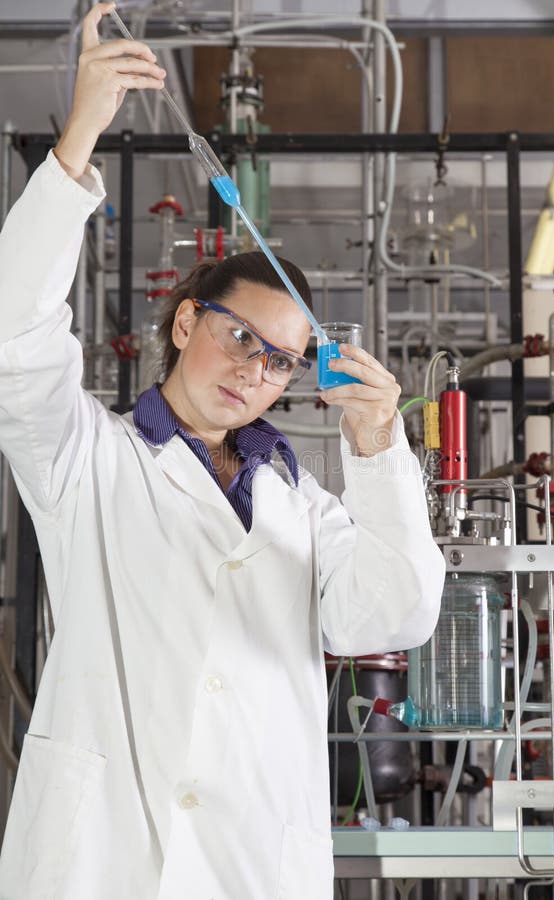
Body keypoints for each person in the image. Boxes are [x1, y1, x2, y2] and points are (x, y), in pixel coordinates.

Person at [0, 4, 444, 898]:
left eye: (281, 361)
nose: (254, 370)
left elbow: (391, 616)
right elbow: (15, 332)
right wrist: (78, 141)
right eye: (240, 336)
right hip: (107, 865)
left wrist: (377, 450)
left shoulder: (303, 504)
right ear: (186, 322)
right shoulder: (85, 458)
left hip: (252, 866)